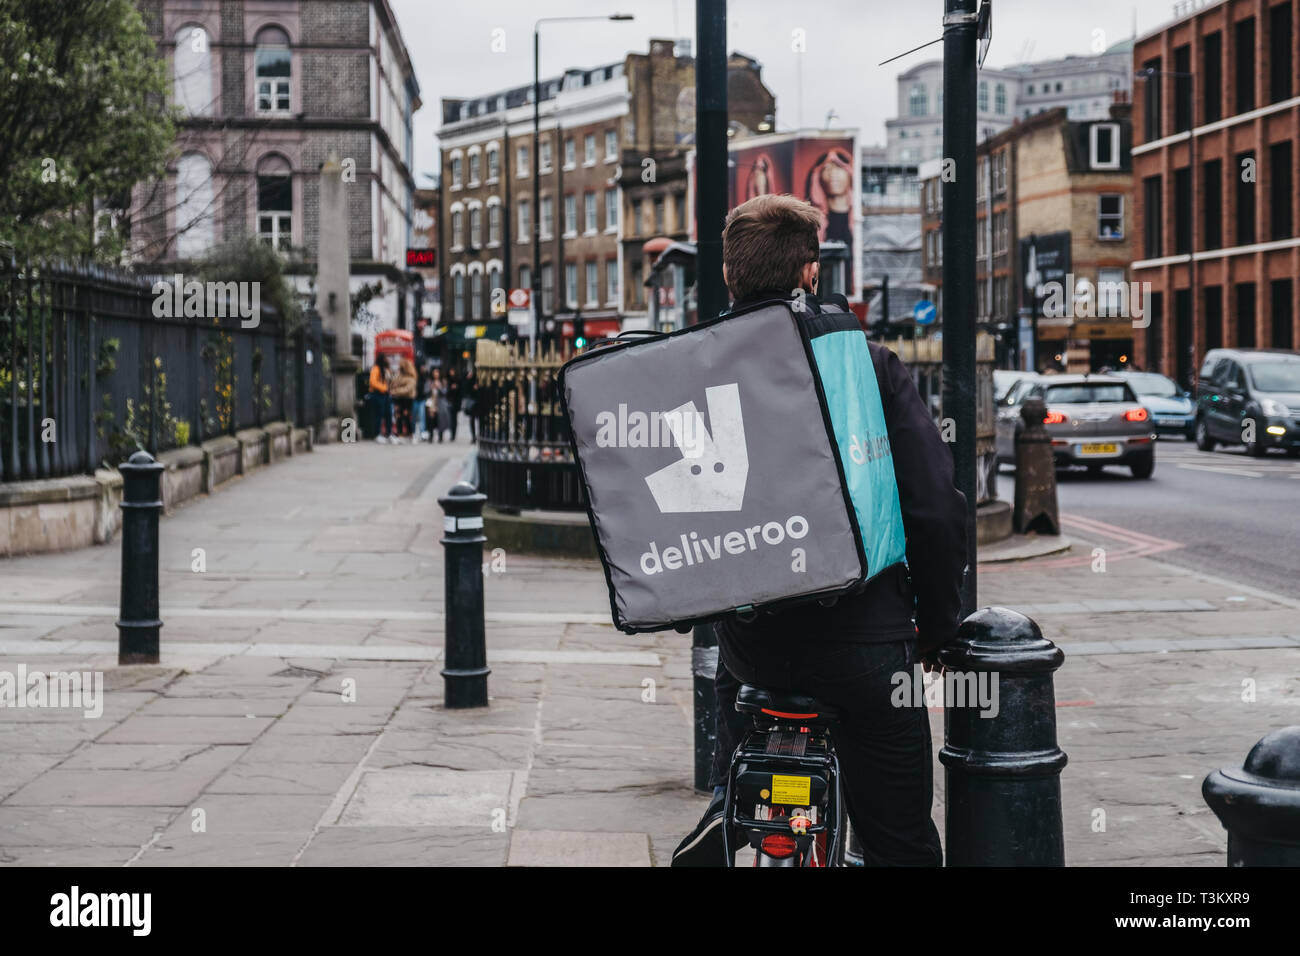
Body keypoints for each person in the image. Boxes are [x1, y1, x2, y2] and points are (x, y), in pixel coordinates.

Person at [670, 194, 968, 867]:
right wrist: (941, 627)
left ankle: (724, 807)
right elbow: (935, 509)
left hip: (755, 648)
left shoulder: (699, 370)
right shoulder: (868, 365)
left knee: (733, 707)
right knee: (900, 842)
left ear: (730, 277)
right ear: (810, 273)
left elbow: (691, 513)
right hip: (866, 648)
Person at [390, 356, 417, 442]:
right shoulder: (399, 375)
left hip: (407, 399)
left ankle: (411, 434)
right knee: (398, 416)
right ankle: (400, 434)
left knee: (406, 416)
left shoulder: (411, 377)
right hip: (398, 399)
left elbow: (407, 389)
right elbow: (393, 384)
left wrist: (395, 391)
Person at [368, 354, 393, 443]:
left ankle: (389, 433)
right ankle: (377, 434)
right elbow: (373, 382)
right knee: (379, 414)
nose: (388, 360)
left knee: (389, 414)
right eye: (386, 358)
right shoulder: (376, 369)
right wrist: (384, 388)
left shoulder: (387, 369)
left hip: (386, 395)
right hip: (378, 394)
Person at [446, 367, 463, 441]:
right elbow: (447, 392)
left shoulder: (458, 380)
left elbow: (461, 392)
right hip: (450, 402)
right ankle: (451, 433)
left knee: (454, 419)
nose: (451, 372)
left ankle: (453, 434)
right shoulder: (448, 380)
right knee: (450, 419)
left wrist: (456, 388)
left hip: (456, 402)